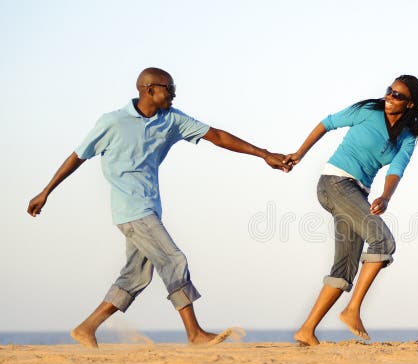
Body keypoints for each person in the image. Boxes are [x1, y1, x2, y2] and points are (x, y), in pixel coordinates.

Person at [27, 67, 290, 348]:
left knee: (136, 275)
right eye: (169, 88)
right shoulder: (112, 122)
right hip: (131, 210)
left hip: (150, 208)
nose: (174, 94)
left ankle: (86, 327)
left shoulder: (172, 120)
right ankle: (195, 334)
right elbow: (77, 156)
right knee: (174, 259)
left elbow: (217, 136)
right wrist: (46, 191)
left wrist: (263, 154)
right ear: (149, 89)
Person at [285, 75, 418, 346]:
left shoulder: (407, 138)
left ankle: (306, 330)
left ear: (410, 105)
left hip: (356, 193)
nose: (389, 96)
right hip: (335, 182)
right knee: (383, 240)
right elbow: (326, 124)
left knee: (344, 267)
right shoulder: (367, 111)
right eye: (390, 91)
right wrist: (300, 154)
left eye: (397, 95)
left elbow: (397, 169)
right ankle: (352, 311)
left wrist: (385, 196)